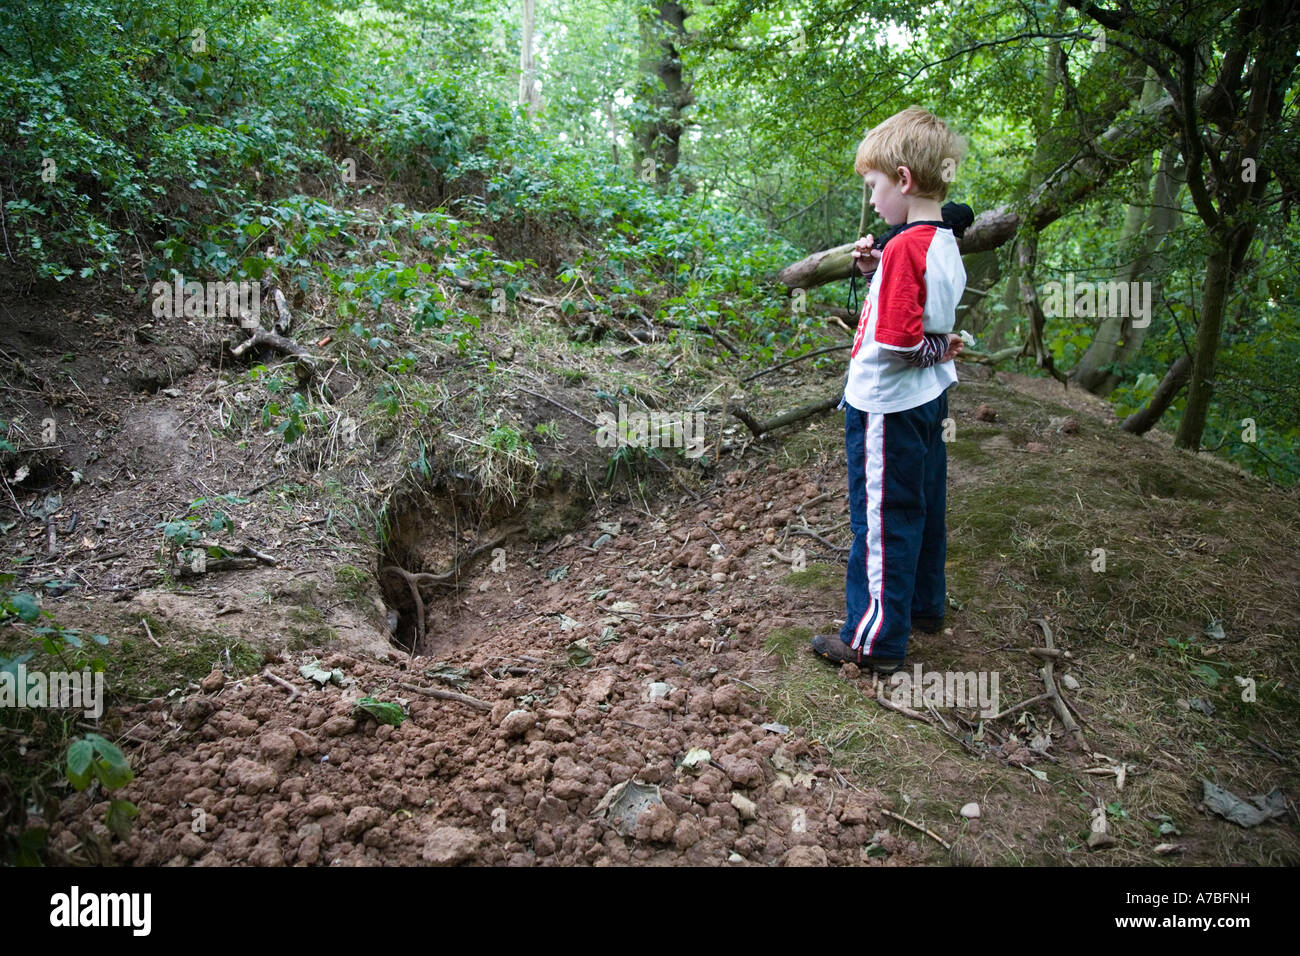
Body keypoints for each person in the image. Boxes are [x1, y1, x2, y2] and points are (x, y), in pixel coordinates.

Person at [810, 105, 971, 676]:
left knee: (882, 518)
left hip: (888, 408)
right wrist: (881, 266)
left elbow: (903, 341)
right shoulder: (939, 237)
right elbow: (919, 294)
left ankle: (874, 639)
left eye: (875, 187)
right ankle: (922, 606)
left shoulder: (906, 248)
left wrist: (939, 347)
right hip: (927, 402)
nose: (873, 201)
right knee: (923, 506)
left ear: (903, 179)